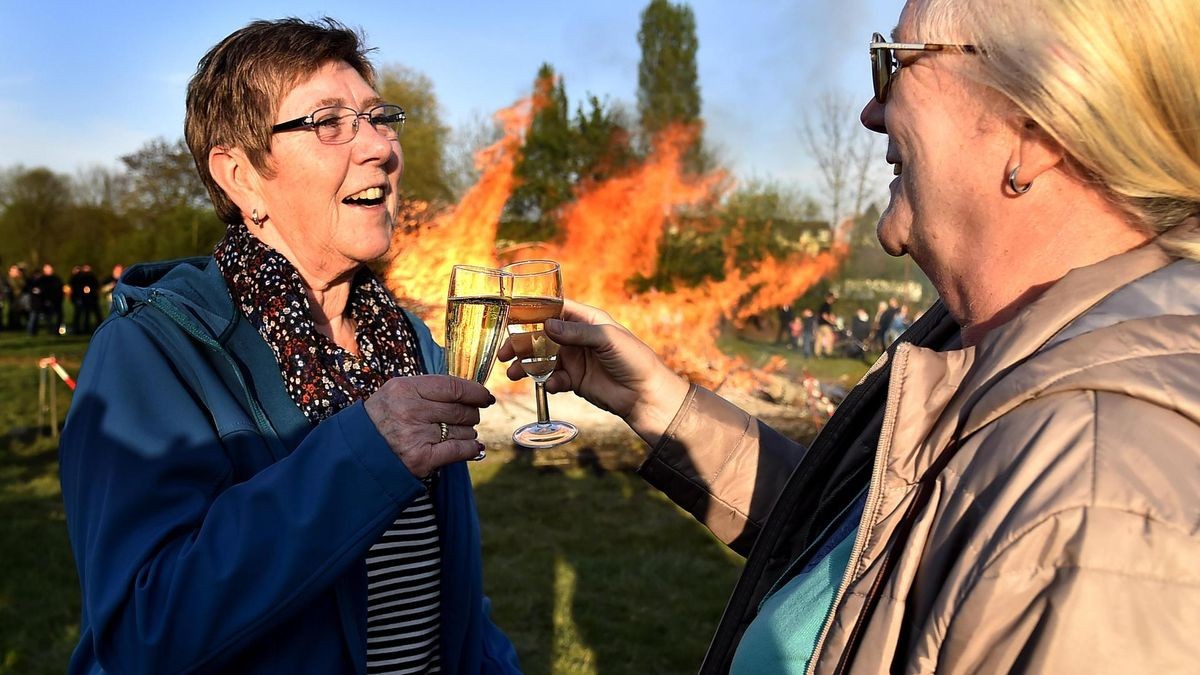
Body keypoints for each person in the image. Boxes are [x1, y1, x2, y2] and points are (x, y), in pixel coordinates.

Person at [499, 0, 1200, 671]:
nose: (872, 110)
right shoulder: (979, 347)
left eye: (894, 61)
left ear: (1032, 122)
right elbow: (860, 557)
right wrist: (661, 404)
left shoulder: (1097, 503)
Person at [59, 18, 519, 674]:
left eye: (379, 116)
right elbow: (144, 632)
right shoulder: (148, 354)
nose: (380, 148)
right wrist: (364, 455)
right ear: (240, 174)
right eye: (329, 121)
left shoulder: (408, 339)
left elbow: (447, 594)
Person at [68, 263, 102, 334]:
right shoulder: (79, 278)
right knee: (81, 314)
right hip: (82, 298)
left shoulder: (90, 277)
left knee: (88, 314)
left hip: (90, 298)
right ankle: (79, 329)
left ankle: (85, 328)